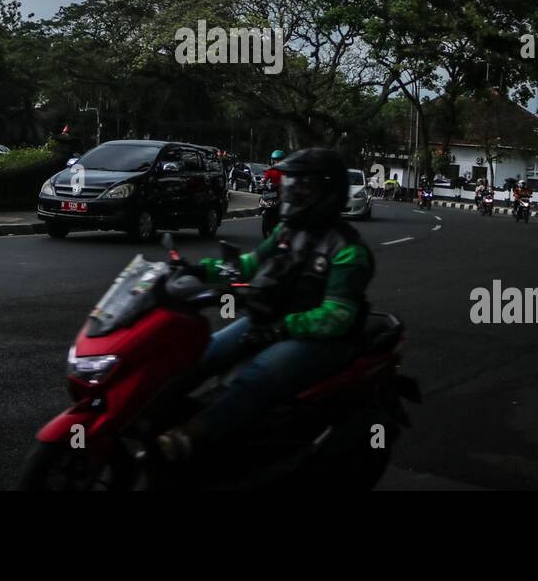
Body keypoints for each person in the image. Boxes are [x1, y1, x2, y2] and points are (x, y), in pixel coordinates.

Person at [157, 148, 375, 461]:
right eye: (292, 186)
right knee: (204, 352)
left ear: (326, 192)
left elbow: (337, 317)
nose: (293, 193)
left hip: (322, 339)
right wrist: (198, 270)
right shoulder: (288, 231)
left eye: (304, 187)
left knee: (257, 376)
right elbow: (250, 264)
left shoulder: (349, 251)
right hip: (273, 320)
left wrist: (280, 329)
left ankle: (189, 439)